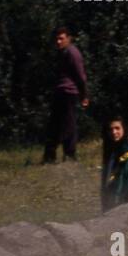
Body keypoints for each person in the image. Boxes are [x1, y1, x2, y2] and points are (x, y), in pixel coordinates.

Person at [43, 26, 89, 165]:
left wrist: (84, 95)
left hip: (69, 93)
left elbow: (80, 76)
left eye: (61, 38)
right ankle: (50, 156)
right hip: (60, 92)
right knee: (55, 125)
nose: (58, 41)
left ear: (69, 39)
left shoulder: (72, 53)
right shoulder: (61, 53)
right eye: (56, 39)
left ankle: (69, 155)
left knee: (68, 125)